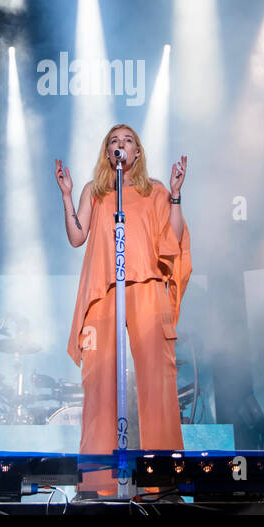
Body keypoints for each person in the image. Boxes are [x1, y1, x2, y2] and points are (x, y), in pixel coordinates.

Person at [55, 124, 190, 496]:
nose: (121, 145)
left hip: (146, 288)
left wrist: (176, 196)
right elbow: (76, 236)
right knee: (98, 382)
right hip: (106, 290)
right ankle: (95, 482)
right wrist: (67, 197)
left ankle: (162, 480)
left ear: (138, 152)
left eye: (128, 140)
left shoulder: (156, 191)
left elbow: (173, 239)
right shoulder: (96, 193)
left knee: (157, 380)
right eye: (114, 141)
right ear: (106, 152)